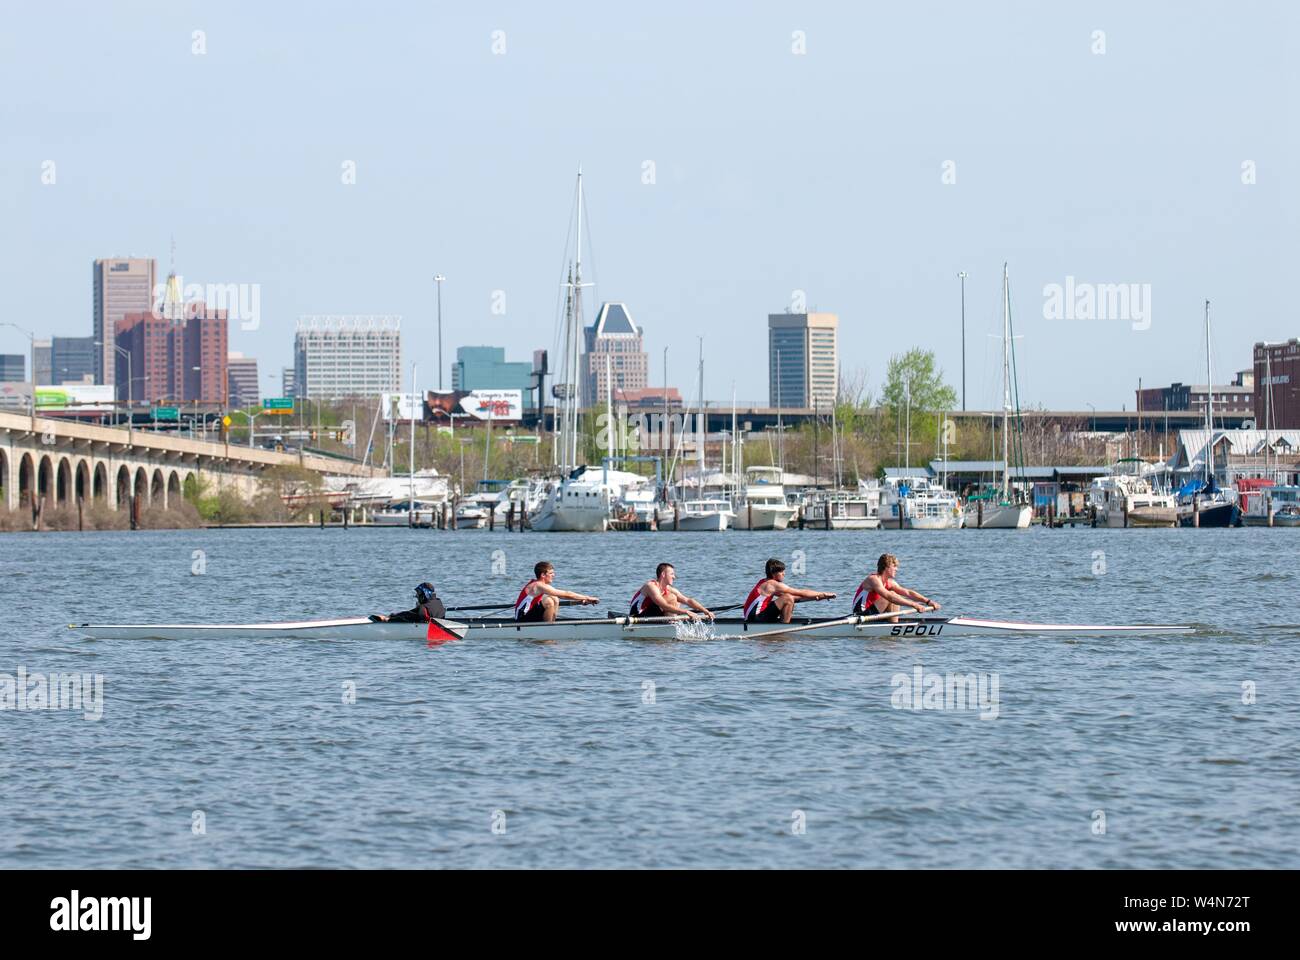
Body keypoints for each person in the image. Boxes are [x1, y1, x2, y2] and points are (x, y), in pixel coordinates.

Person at [742, 558, 835, 624]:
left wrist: (817, 597)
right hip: (754, 619)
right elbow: (801, 592)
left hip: (754, 617)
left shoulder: (765, 582)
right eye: (781, 572)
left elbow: (796, 598)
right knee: (788, 598)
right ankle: (784, 627)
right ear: (773, 573)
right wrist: (823, 593)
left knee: (788, 598)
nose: (784, 574)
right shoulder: (772, 585)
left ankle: (782, 624)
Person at [852, 553, 938, 622]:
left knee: (894, 594)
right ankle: (894, 626)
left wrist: (928, 601)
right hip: (860, 615)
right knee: (892, 594)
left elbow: (908, 593)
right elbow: (889, 597)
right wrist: (914, 605)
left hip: (873, 613)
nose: (897, 569)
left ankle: (894, 625)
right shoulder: (873, 579)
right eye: (894, 566)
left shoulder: (889, 582)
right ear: (886, 567)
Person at [514, 561, 599, 622]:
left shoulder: (540, 585)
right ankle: (548, 628)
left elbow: (561, 596)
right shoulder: (538, 585)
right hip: (522, 618)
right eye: (551, 573)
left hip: (529, 614)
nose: (554, 575)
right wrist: (588, 597)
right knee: (549, 601)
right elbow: (566, 594)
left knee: (554, 598)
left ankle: (552, 623)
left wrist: (580, 601)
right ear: (543, 575)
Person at [629, 563, 714, 621]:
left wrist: (705, 611)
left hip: (651, 615)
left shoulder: (669, 588)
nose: (674, 577)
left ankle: (671, 621)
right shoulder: (651, 586)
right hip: (637, 617)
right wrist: (687, 612)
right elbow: (664, 606)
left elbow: (687, 600)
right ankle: (671, 623)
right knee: (672, 598)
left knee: (674, 597)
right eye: (672, 574)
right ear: (663, 574)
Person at [371, 582, 446, 623]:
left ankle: (386, 618)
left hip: (426, 629)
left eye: (418, 594)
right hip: (438, 626)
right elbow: (411, 613)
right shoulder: (439, 603)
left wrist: (390, 620)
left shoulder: (423, 608)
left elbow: (410, 618)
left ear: (424, 594)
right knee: (406, 613)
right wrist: (392, 615)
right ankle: (390, 616)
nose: (416, 596)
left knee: (406, 615)